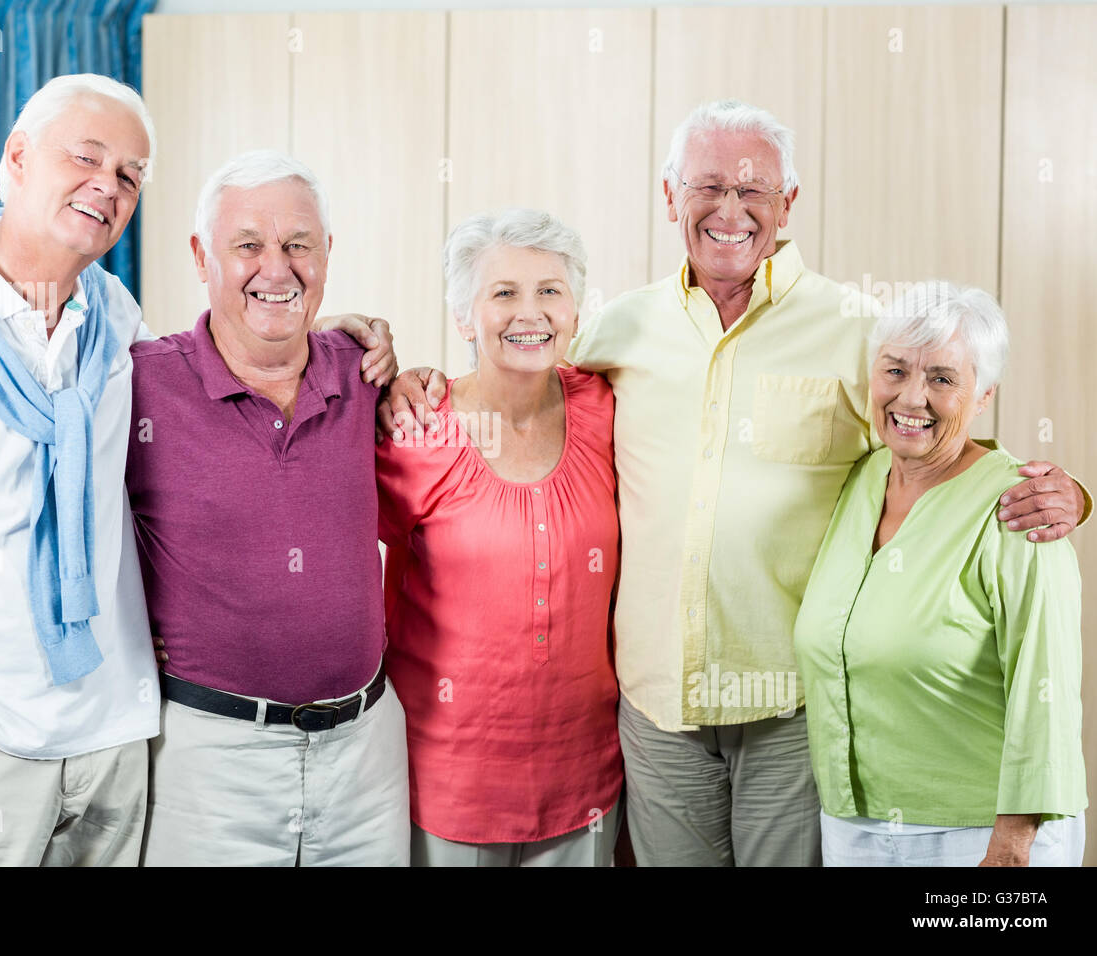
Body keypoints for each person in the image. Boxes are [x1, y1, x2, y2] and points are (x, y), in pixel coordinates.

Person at [383, 99, 1088, 866]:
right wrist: (417, 381)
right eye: (708, 186)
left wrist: (1071, 492)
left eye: (755, 191)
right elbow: (516, 357)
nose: (730, 210)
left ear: (788, 204)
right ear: (669, 198)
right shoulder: (618, 328)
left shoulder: (856, 328)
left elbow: (928, 419)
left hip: (787, 709)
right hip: (656, 713)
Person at [0, 78, 396, 867]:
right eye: (86, 158)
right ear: (16, 158)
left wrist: (340, 333)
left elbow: (247, 343)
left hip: (115, 738)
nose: (107, 187)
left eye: (128, 175)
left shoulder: (114, 324)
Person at [130, 151, 409, 866]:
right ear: (201, 256)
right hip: (210, 760)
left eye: (297, 245)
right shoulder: (140, 383)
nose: (276, 269)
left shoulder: (364, 370)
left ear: (327, 255)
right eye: (247, 245)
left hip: (366, 751)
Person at [795, 282, 1086, 866]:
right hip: (854, 824)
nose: (912, 397)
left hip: (978, 833)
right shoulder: (860, 480)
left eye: (943, 379)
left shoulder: (1020, 508)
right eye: (895, 370)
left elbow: (1044, 687)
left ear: (984, 395)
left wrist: (1012, 843)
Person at [377, 209, 622, 866]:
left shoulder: (607, 408)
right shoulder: (414, 426)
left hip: (586, 775)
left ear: (574, 310)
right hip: (450, 782)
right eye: (504, 293)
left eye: (550, 291)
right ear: (464, 317)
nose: (530, 313)